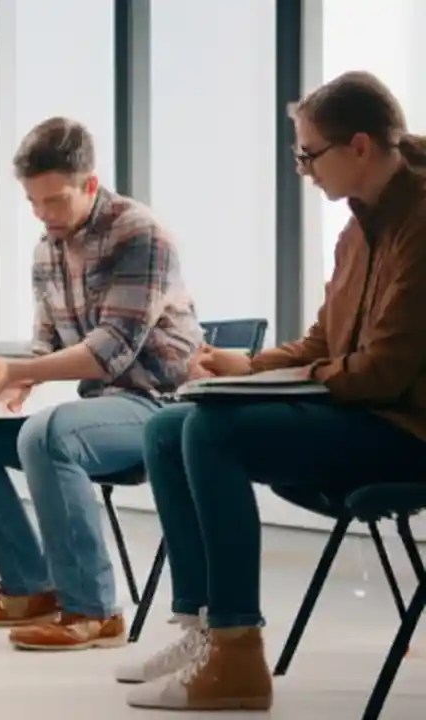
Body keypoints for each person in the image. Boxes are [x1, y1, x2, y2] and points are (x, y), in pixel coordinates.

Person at [119, 70, 426, 712]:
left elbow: (380, 374)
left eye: (309, 154)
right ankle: (204, 629)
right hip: (365, 417)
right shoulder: (356, 231)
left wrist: (290, 381)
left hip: (407, 434)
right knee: (168, 426)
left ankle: (237, 655)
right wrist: (247, 367)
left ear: (361, 147)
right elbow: (324, 344)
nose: (303, 169)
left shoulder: (420, 228)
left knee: (213, 431)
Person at [0, 117, 203, 651]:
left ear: (89, 183)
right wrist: (10, 390)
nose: (41, 214)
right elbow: (46, 344)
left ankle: (93, 610)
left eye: (53, 201)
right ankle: (28, 589)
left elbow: (110, 351)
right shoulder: (47, 248)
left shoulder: (141, 235)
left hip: (162, 409)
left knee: (49, 435)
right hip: (105, 409)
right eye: (32, 202)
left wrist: (21, 372)